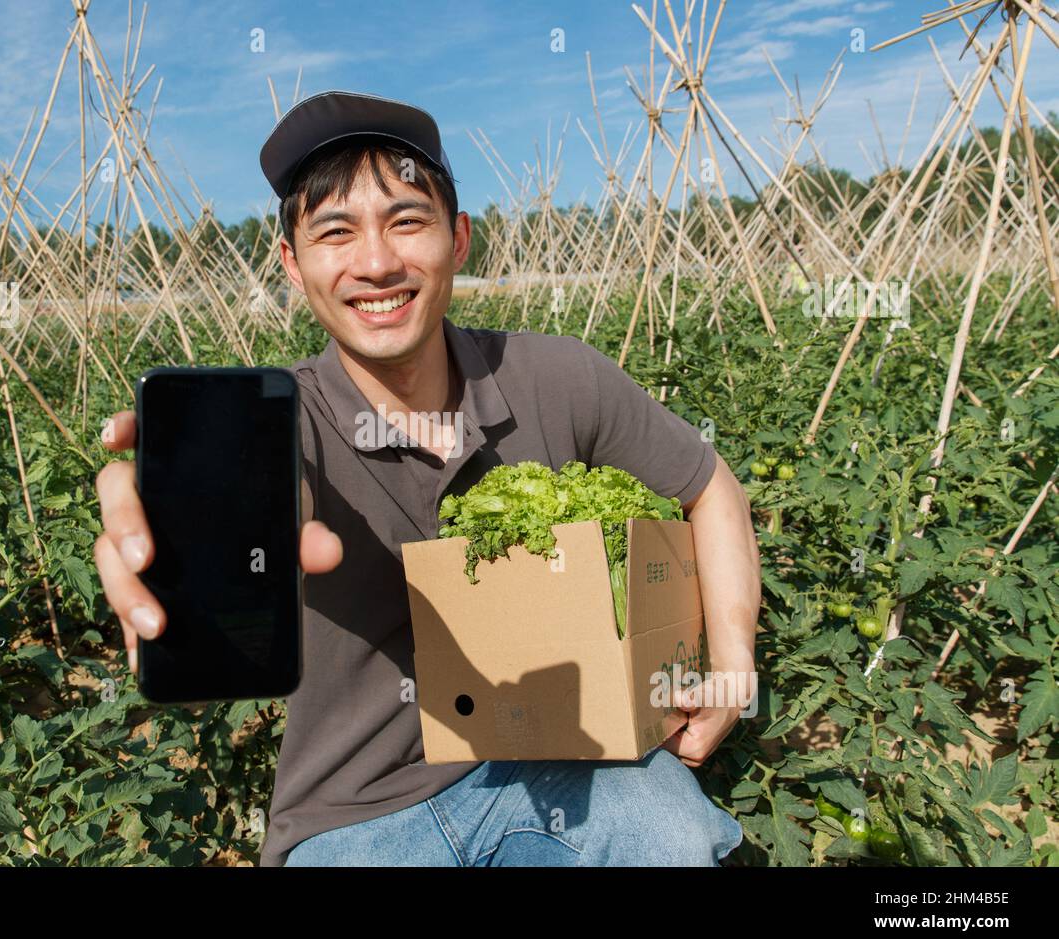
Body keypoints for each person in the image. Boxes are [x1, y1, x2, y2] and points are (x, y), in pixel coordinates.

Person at [94, 90, 758, 866]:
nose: (376, 262)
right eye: (334, 232)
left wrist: (732, 665)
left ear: (460, 237)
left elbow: (710, 486)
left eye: (406, 220)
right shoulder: (284, 423)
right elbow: (263, 499)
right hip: (353, 821)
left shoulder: (558, 377)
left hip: (556, 759)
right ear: (291, 264)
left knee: (666, 836)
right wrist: (190, 547)